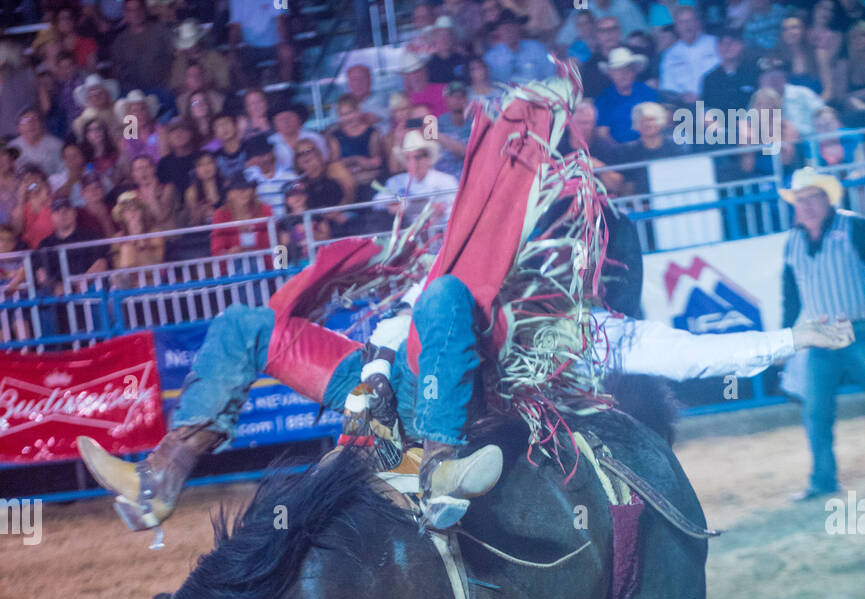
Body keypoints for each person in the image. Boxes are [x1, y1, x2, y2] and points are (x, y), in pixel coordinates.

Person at [80, 73, 855, 539]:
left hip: (442, 410)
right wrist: (374, 358)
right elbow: (399, 311)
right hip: (370, 382)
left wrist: (789, 336)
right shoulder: (452, 262)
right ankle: (163, 476)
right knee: (250, 325)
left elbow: (683, 352)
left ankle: (438, 473)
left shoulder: (576, 329)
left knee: (446, 301)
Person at [780, 166, 865, 500]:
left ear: (828, 199)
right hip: (819, 338)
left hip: (860, 329)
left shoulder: (855, 227)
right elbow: (790, 295)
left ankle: (823, 480)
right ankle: (823, 480)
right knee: (816, 411)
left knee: (817, 410)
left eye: (813, 198)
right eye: (800, 200)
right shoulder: (792, 241)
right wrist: (788, 338)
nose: (806, 206)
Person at [374, 128, 459, 220]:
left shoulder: (446, 180)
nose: (413, 163)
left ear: (428, 158)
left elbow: (453, 209)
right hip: (406, 231)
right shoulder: (396, 181)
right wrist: (397, 205)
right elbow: (378, 202)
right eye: (408, 158)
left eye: (418, 157)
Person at [110, 0, 174, 104]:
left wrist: (169, 82)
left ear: (145, 10)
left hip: (160, 89)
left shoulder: (161, 32)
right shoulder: (120, 41)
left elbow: (174, 57)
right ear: (125, 13)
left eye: (138, 8)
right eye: (130, 10)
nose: (135, 13)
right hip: (132, 94)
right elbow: (117, 71)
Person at [595, 46, 658, 143]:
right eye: (617, 71)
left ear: (634, 72)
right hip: (617, 152)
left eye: (627, 70)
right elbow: (603, 133)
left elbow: (659, 123)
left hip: (648, 146)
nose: (623, 74)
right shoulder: (603, 100)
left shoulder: (648, 93)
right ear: (611, 74)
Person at [658, 5, 719, 102]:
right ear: (676, 26)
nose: (687, 26)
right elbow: (667, 88)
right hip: (684, 106)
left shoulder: (715, 44)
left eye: (691, 20)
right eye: (682, 22)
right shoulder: (670, 54)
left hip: (715, 99)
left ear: (698, 22)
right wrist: (682, 97)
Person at [701, 25, 759, 118]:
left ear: (741, 45)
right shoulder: (709, 79)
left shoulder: (754, 74)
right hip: (720, 129)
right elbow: (706, 112)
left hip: (751, 128)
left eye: (732, 43)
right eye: (723, 43)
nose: (727, 47)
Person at [484, 12, 554, 84]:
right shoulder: (490, 58)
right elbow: (491, 85)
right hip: (506, 93)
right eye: (504, 28)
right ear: (498, 32)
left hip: (538, 91)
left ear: (519, 28)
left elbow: (549, 75)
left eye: (511, 27)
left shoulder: (536, 48)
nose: (508, 32)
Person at [436, 82, 473, 178]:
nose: (457, 99)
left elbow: (468, 153)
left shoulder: (476, 123)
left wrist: (438, 136)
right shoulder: (438, 123)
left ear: (467, 99)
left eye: (461, 96)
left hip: (469, 176)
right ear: (446, 99)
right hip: (443, 177)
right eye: (453, 96)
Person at [15, 108, 63, 178]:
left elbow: (63, 174)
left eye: (35, 119)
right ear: (19, 127)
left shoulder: (56, 145)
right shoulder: (13, 147)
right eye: (25, 120)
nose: (31, 124)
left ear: (42, 124)